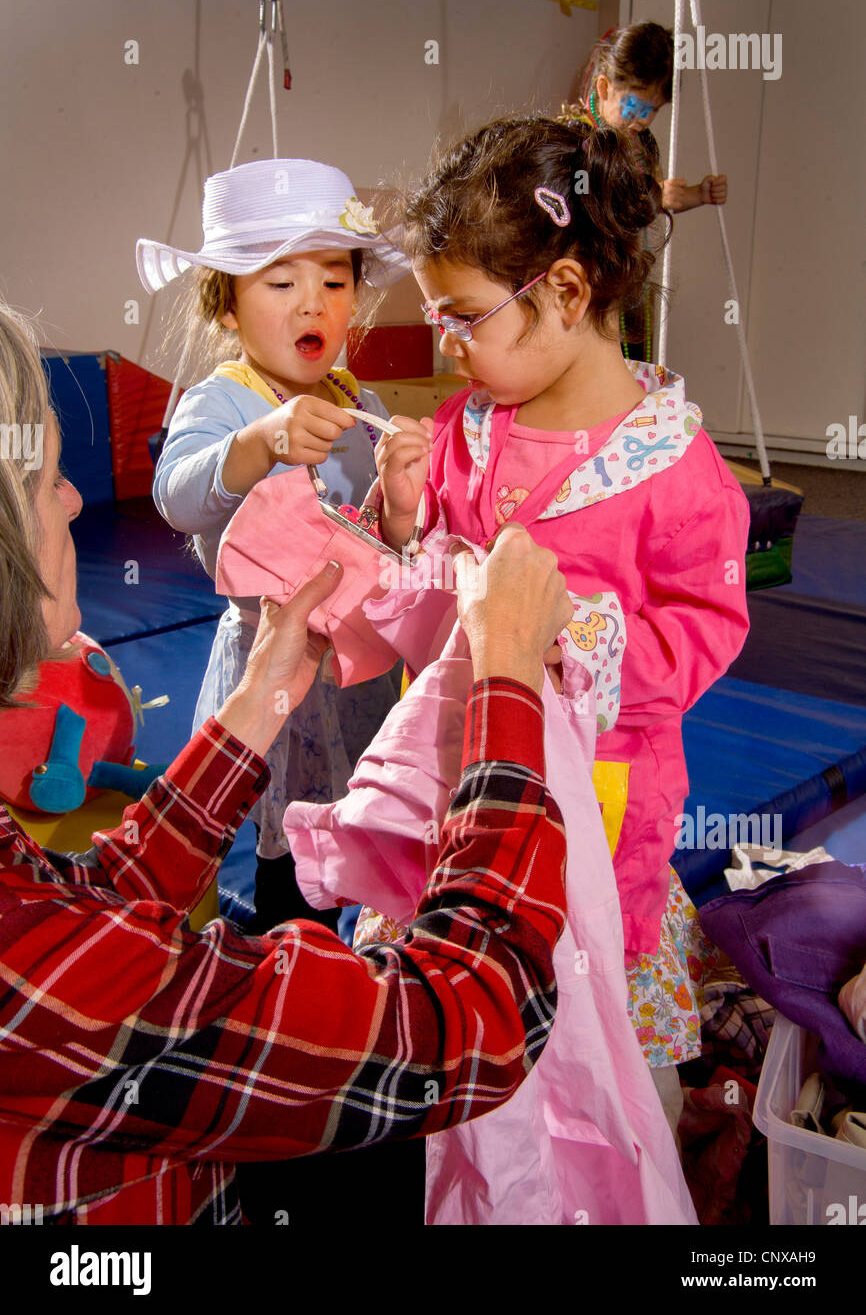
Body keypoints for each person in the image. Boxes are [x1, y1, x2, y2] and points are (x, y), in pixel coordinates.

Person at [0, 300, 573, 1225]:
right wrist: (504, 672)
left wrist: (260, 701)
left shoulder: (36, 925)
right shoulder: (37, 969)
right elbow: (473, 1022)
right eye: (45, 481)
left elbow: (91, 902)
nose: (71, 499)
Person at [370, 114, 749, 1131]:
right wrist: (403, 518)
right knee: (455, 1004)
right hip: (459, 775)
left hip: (595, 803)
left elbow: (705, 628)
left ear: (566, 294)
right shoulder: (467, 428)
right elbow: (425, 579)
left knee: (590, 1042)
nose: (443, 343)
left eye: (461, 317)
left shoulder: (675, 471)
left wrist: (573, 634)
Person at [138, 158, 405, 933]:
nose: (311, 303)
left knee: (357, 830)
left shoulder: (363, 404)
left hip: (359, 672)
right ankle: (285, 976)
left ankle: (353, 969)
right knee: (284, 846)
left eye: (333, 280)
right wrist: (260, 442)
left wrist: (402, 501)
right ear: (226, 304)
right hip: (270, 677)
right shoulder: (223, 400)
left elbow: (382, 541)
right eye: (280, 283)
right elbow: (177, 496)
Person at [563, 21, 727, 358]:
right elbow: (579, 207)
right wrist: (651, 198)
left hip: (628, 277)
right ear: (604, 87)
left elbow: (653, 200)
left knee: (633, 370)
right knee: (595, 371)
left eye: (653, 110)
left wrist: (697, 195)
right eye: (635, 106)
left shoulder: (643, 142)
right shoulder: (574, 137)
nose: (643, 119)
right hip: (584, 284)